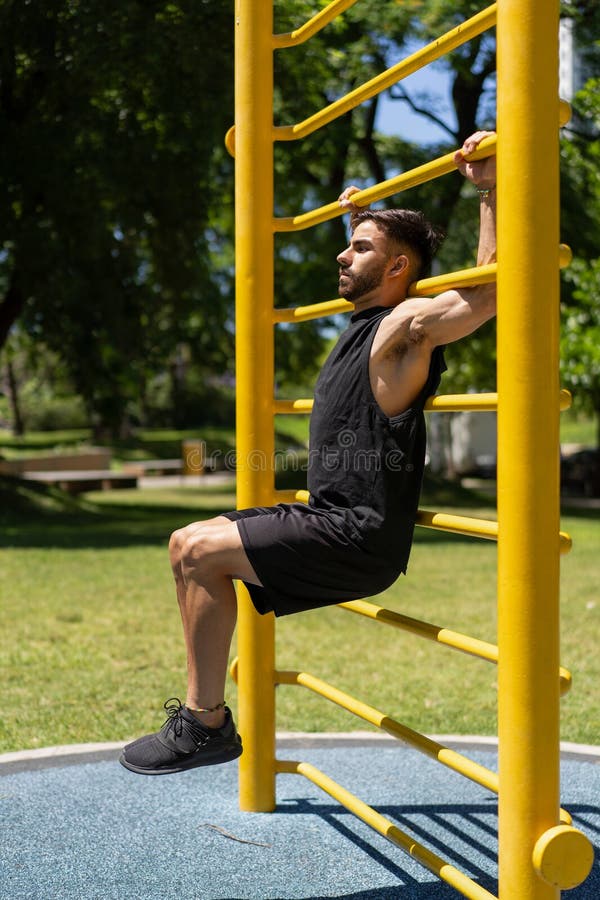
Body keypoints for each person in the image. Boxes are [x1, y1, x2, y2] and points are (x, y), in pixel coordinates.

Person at [120, 130, 496, 776]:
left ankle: (206, 724)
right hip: (330, 518)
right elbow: (383, 265)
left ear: (399, 268)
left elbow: (487, 295)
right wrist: (364, 218)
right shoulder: (364, 329)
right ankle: (202, 721)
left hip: (357, 536)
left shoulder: (403, 330)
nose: (341, 257)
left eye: (359, 248)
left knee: (203, 551)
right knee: (187, 543)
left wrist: (491, 187)